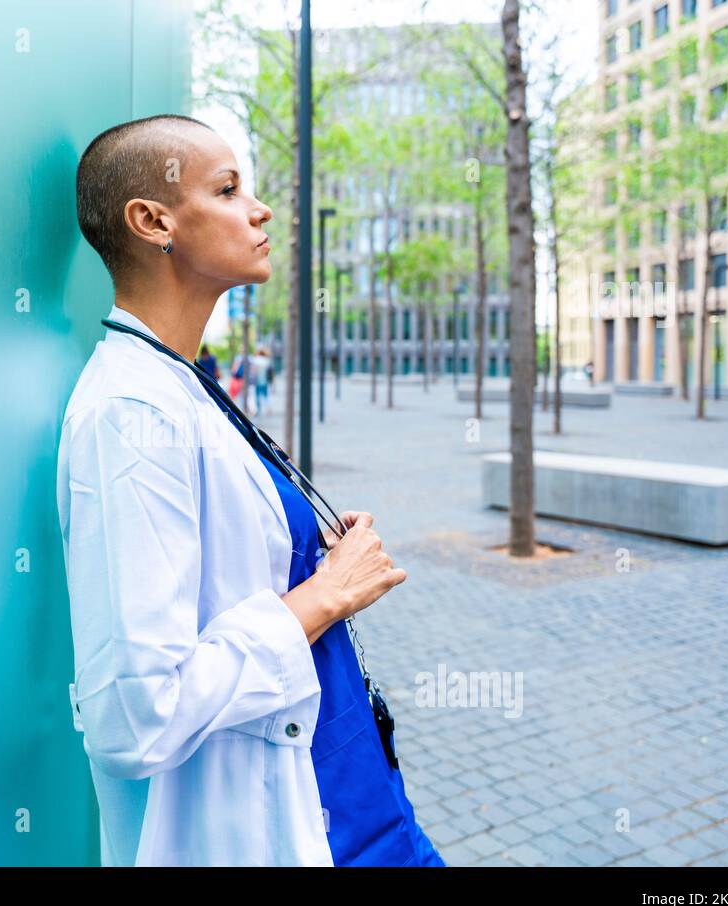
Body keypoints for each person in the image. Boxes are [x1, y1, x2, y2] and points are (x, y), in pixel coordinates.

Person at [58, 113, 444, 866]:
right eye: (229, 188)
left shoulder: (183, 383)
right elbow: (138, 712)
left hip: (352, 795)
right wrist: (325, 595)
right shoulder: (129, 412)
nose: (259, 210)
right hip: (282, 825)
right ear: (153, 219)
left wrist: (310, 552)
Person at [249, 347, 272, 415]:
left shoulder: (255, 360)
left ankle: (258, 410)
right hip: (265, 381)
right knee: (266, 396)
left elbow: (253, 371)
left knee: (257, 396)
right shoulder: (267, 361)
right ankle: (268, 409)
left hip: (257, 381)